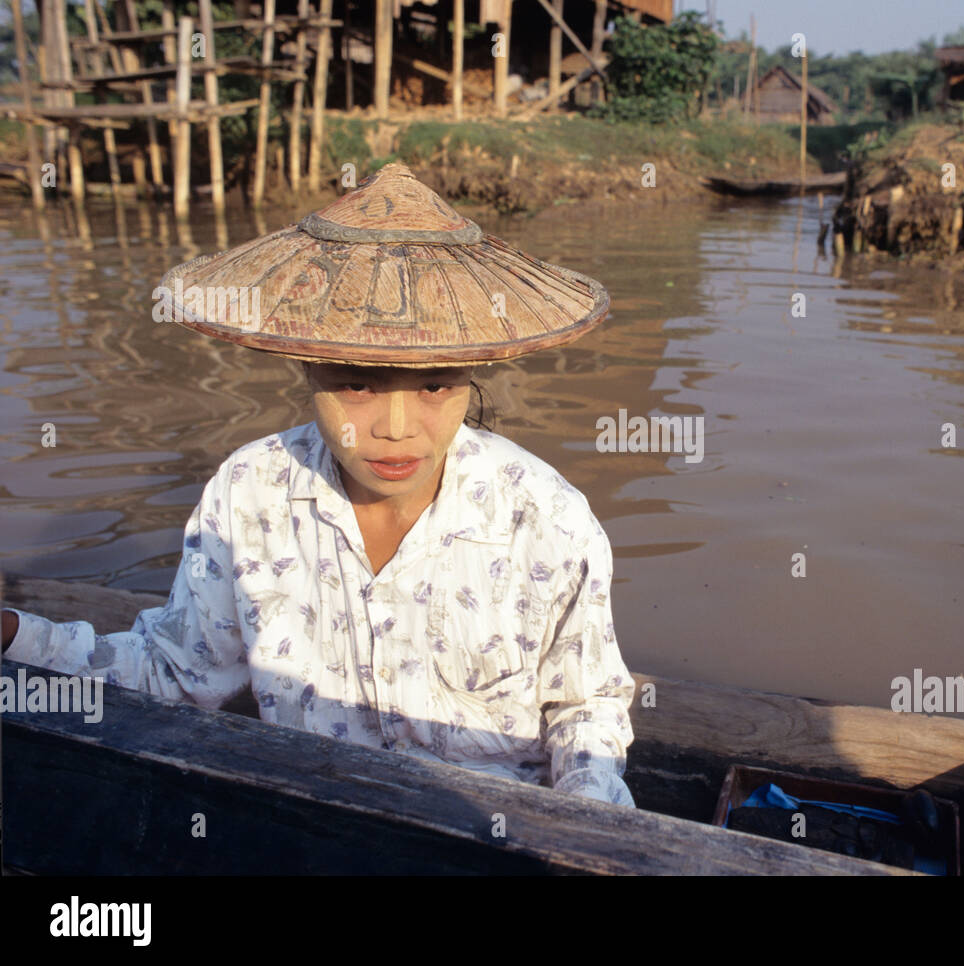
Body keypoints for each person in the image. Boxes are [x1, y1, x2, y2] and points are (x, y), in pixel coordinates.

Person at [1, 163, 636, 807]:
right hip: (314, 824)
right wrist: (15, 636)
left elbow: (585, 712)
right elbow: (175, 671)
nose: (395, 429)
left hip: (494, 833)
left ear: (473, 374)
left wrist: (582, 836)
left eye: (436, 385)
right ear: (307, 367)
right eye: (356, 383)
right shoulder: (249, 494)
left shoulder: (544, 515)